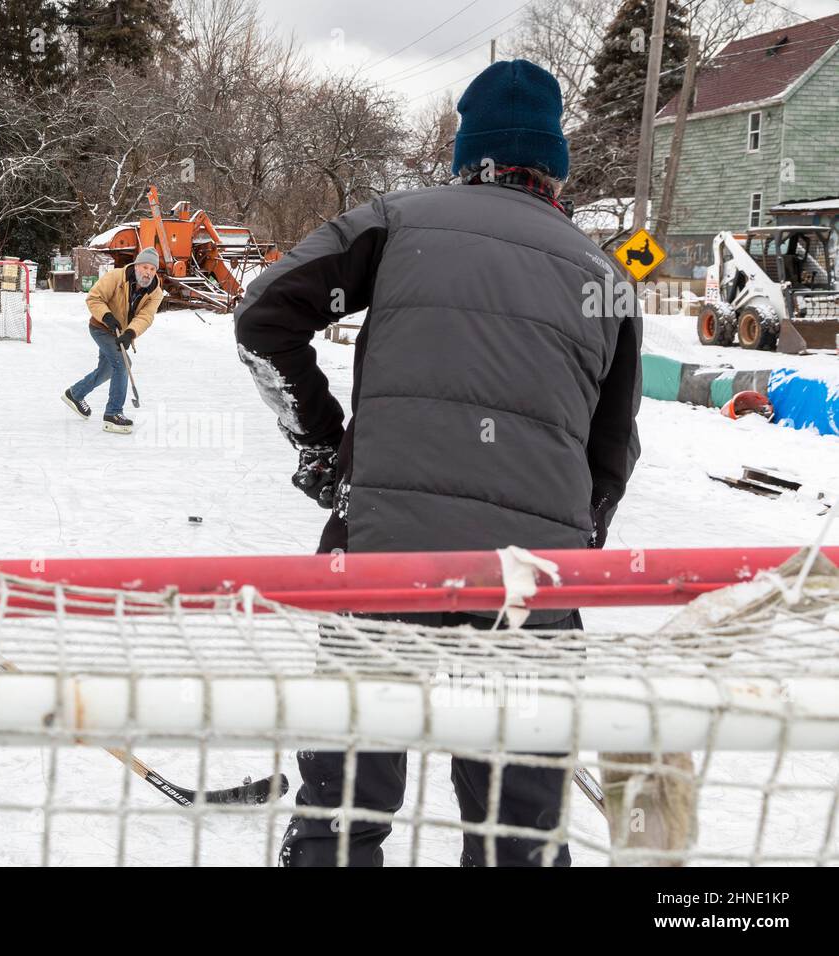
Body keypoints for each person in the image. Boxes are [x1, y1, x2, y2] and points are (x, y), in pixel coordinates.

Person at [235, 60, 642, 866]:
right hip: (529, 587)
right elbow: (613, 447)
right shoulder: (607, 276)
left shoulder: (393, 223)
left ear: (467, 151)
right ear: (554, 165)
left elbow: (263, 317)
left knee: (342, 815)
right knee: (517, 832)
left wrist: (324, 446)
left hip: (385, 563)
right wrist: (569, 544)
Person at [62, 246, 164, 433]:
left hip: (121, 333)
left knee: (107, 369)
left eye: (152, 269)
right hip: (101, 327)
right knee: (123, 364)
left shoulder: (155, 292)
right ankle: (113, 414)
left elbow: (146, 317)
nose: (148, 273)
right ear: (137, 265)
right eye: (145, 267)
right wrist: (107, 316)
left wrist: (130, 333)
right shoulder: (117, 277)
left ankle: (75, 394)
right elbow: (94, 298)